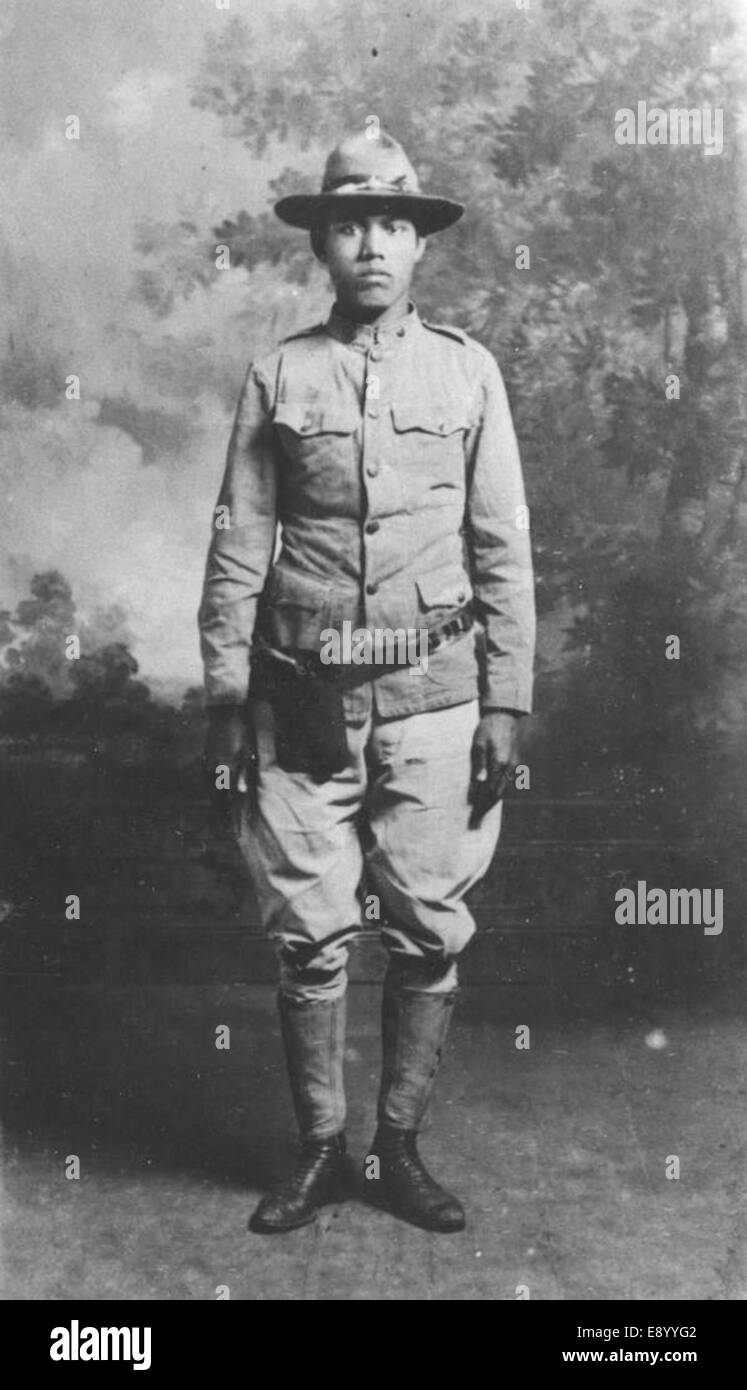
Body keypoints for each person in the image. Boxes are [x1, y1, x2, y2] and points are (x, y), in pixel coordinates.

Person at [198, 128, 536, 1235]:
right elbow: (238, 546)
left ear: (421, 242)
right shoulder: (280, 375)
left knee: (430, 929)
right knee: (307, 933)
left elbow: (501, 549)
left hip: (435, 707)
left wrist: (506, 703)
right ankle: (317, 1151)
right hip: (298, 704)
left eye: (395, 222)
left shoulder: (468, 371)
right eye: (351, 225)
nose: (373, 246)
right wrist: (229, 698)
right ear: (322, 243)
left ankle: (396, 1148)